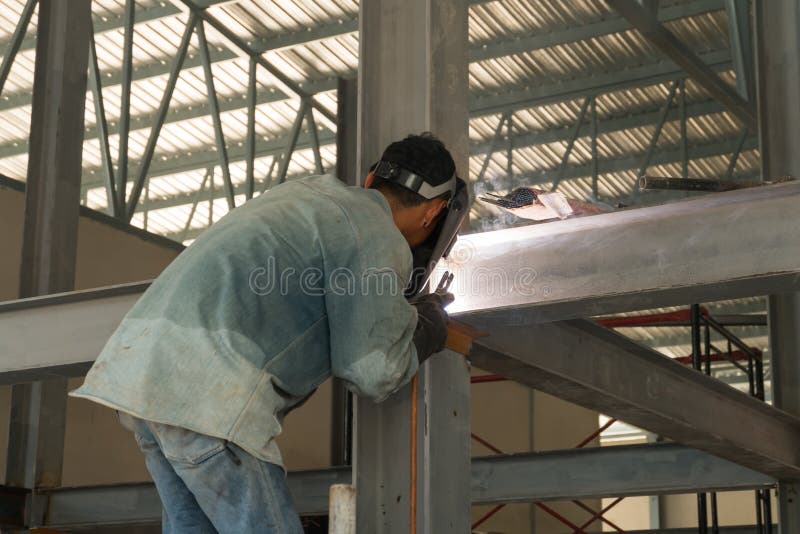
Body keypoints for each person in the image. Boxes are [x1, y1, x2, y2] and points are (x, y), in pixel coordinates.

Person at [71, 133, 460, 533]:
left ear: (370, 179)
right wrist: (427, 328)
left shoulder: (303, 193)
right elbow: (373, 372)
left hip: (141, 384)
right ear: (434, 211)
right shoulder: (376, 233)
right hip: (207, 400)